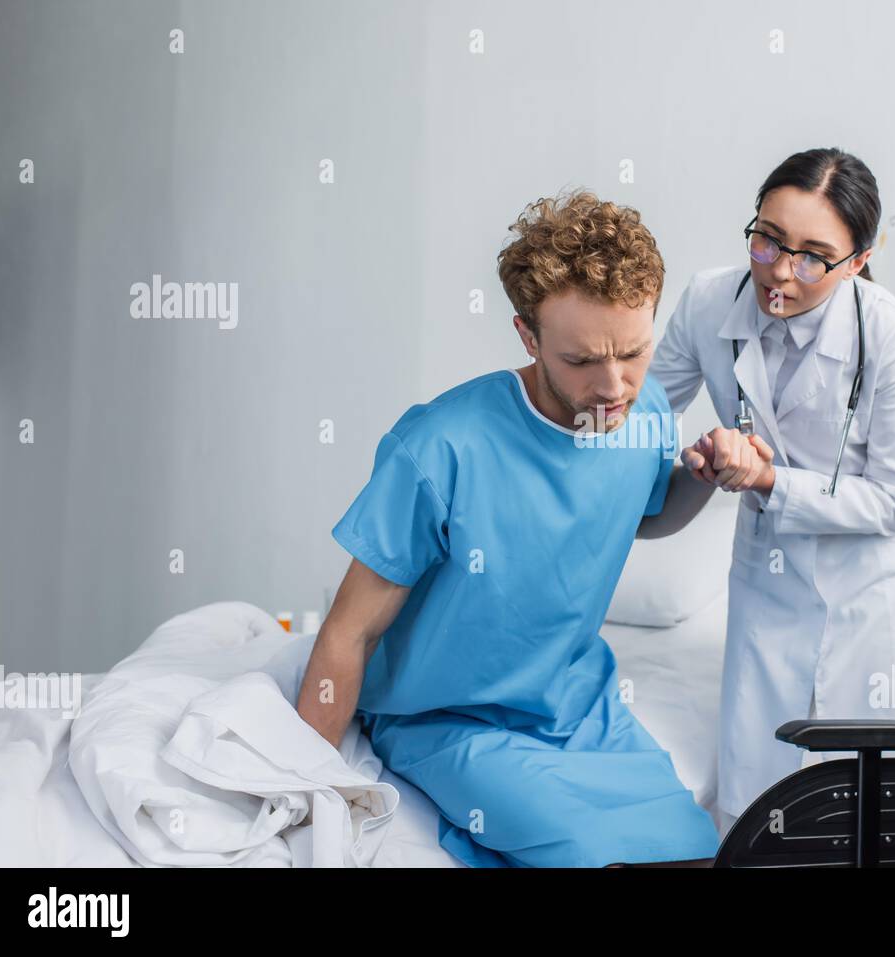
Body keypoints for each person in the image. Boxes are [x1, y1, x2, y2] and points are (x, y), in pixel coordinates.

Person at [295, 190, 721, 867]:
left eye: (634, 353)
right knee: (586, 855)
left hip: (580, 709)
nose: (614, 386)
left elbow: (643, 514)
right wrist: (300, 788)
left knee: (694, 851)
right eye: (582, 361)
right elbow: (351, 630)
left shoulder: (647, 419)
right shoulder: (440, 447)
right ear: (528, 336)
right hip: (448, 719)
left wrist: (700, 476)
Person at [650, 148, 895, 836]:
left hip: (876, 593)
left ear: (859, 261)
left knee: (868, 816)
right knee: (757, 797)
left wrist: (768, 479)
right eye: (769, 240)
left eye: (814, 256)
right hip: (769, 582)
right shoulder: (706, 302)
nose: (782, 271)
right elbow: (638, 417)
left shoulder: (890, 338)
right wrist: (685, 461)